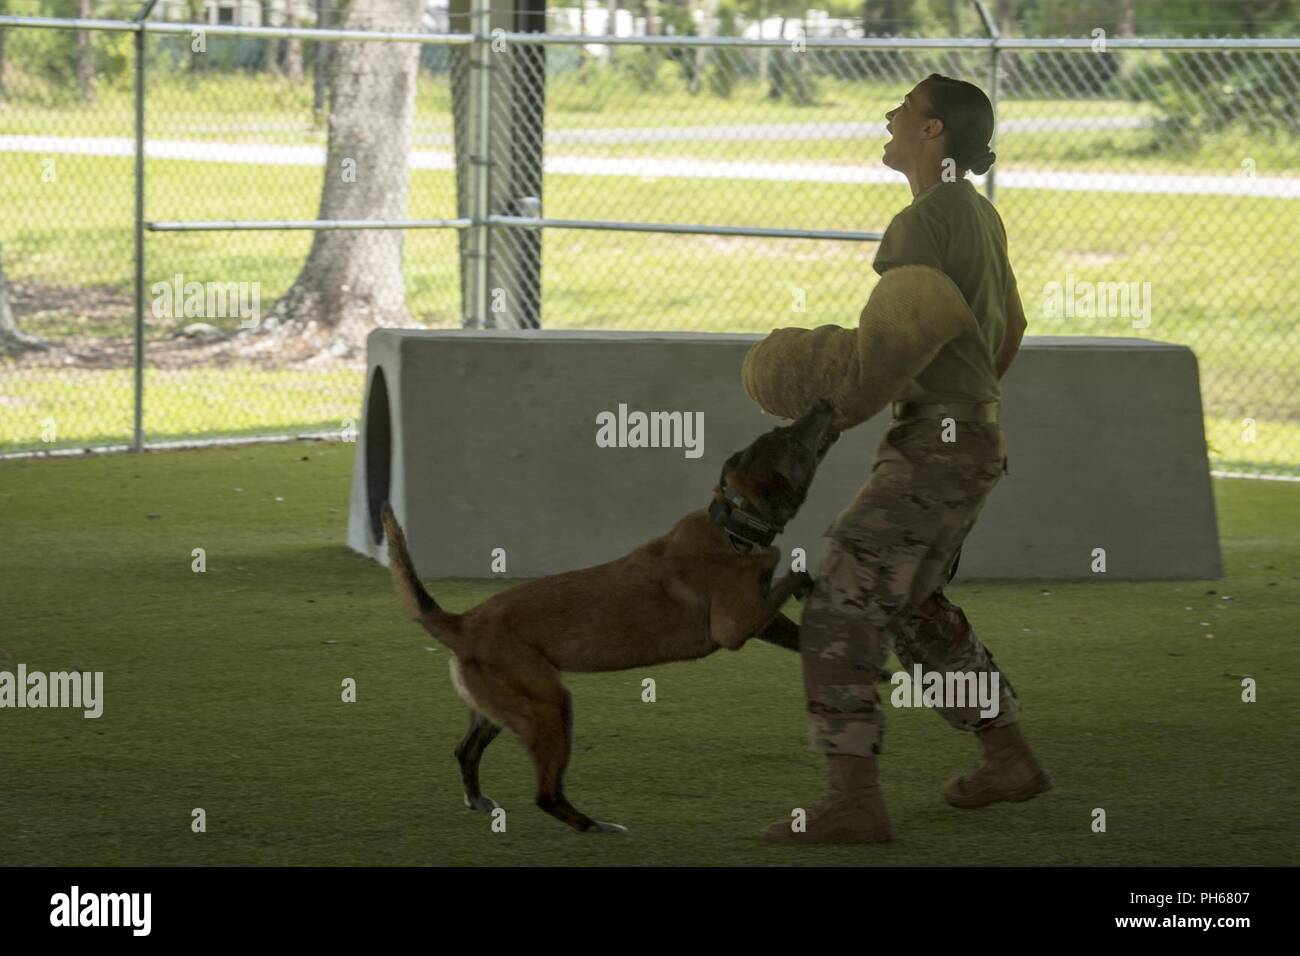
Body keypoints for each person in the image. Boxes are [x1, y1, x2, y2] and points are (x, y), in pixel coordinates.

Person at [764, 74, 1052, 845]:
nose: (889, 117)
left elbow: (883, 355)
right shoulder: (980, 216)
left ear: (934, 133)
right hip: (972, 438)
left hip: (935, 444)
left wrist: (817, 396)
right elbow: (1010, 329)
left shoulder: (922, 221)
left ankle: (851, 797)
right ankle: (1008, 757)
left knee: (838, 601)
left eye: (904, 109)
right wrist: (968, 402)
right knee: (912, 603)